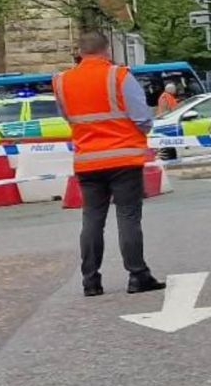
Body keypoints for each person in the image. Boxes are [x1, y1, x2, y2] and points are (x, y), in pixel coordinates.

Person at [53, 32, 166, 297]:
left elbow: (68, 118)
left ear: (80, 52)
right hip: (124, 157)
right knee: (128, 216)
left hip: (87, 161)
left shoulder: (61, 81)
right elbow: (142, 117)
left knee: (92, 218)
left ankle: (90, 280)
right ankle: (137, 275)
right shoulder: (119, 76)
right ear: (106, 51)